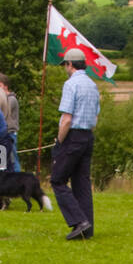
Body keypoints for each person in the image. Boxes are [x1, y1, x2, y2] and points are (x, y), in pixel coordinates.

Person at [52, 47, 100, 240]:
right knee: (82, 183)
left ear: (70, 64)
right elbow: (95, 116)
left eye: (65, 64)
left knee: (57, 179)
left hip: (72, 137)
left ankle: (79, 221)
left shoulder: (71, 84)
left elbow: (66, 119)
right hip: (88, 136)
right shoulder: (92, 85)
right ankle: (87, 228)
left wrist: (59, 141)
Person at [0, 73, 21, 170]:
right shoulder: (0, 99)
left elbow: (2, 113)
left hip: (9, 134)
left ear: (5, 86)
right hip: (0, 134)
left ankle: (18, 180)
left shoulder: (11, 99)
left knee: (12, 160)